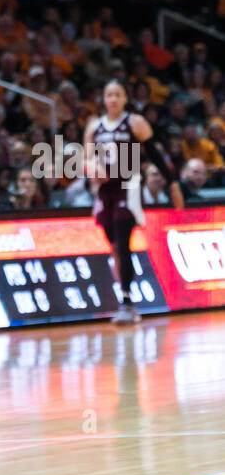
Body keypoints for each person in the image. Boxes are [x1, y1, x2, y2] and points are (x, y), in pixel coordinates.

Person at [84, 79, 172, 325]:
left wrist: (171, 182)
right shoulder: (94, 127)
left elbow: (153, 151)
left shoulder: (135, 122)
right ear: (103, 98)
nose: (112, 99)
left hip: (128, 187)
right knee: (115, 248)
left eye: (117, 94)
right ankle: (126, 299)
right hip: (105, 192)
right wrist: (92, 169)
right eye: (108, 94)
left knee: (124, 243)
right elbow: (87, 159)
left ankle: (126, 302)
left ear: (124, 98)